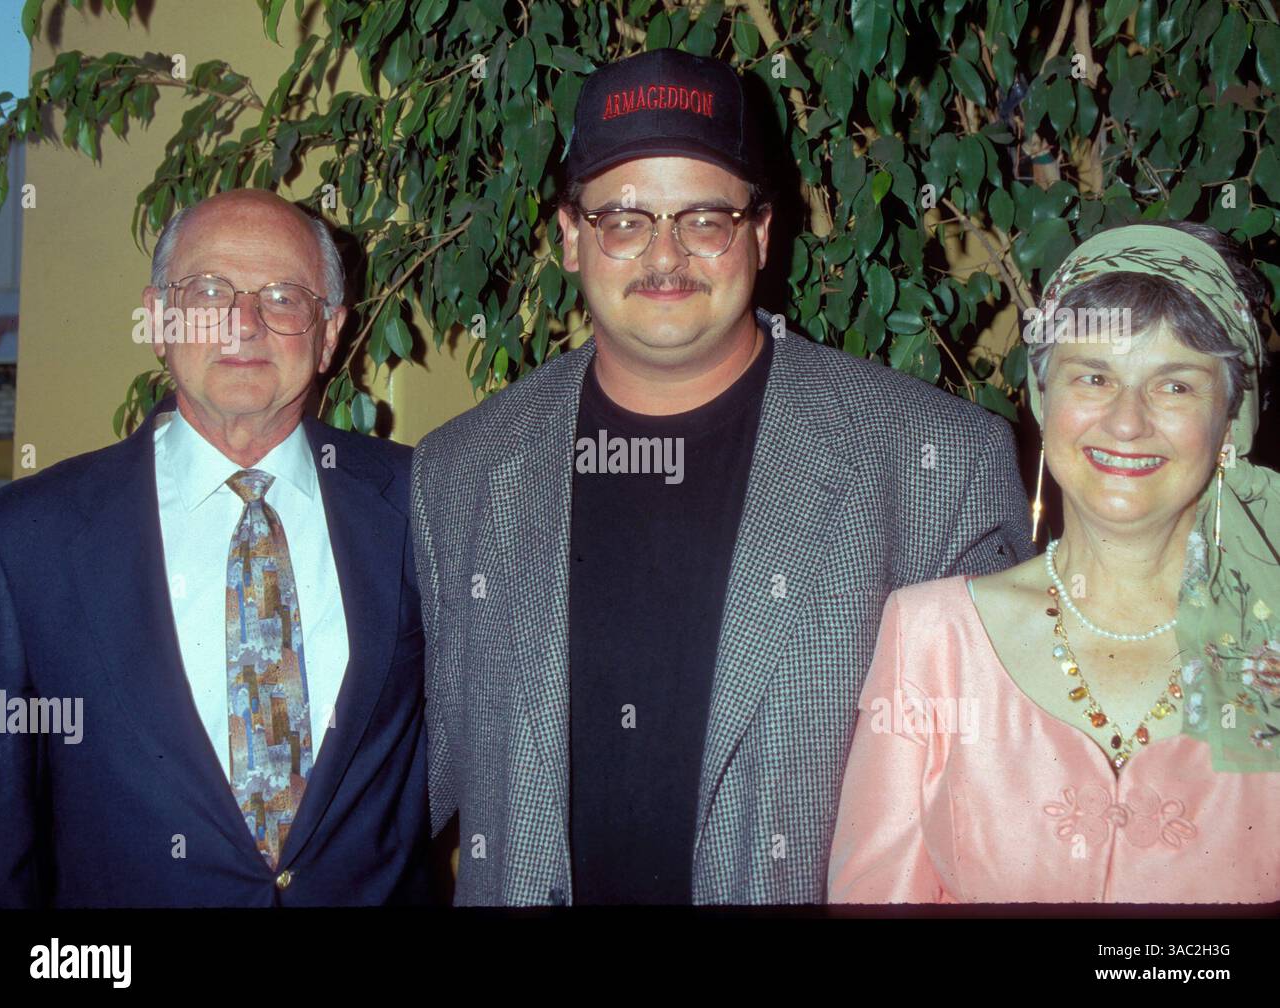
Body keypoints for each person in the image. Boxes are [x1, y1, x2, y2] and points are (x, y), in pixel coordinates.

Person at [410, 48, 1034, 906]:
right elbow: (404, 787)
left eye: (705, 219)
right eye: (624, 221)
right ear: (568, 236)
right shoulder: (460, 472)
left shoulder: (935, 463)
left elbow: (993, 806)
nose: (665, 258)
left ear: (761, 233)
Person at [0, 189, 432, 907]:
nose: (244, 323)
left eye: (284, 296)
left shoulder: (423, 502)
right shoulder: (25, 541)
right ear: (159, 318)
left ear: (330, 332)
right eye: (210, 291)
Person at [827, 221, 1280, 904]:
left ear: (1232, 422)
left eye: (1176, 385)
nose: (1127, 422)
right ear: (1043, 400)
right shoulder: (932, 638)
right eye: (1093, 377)